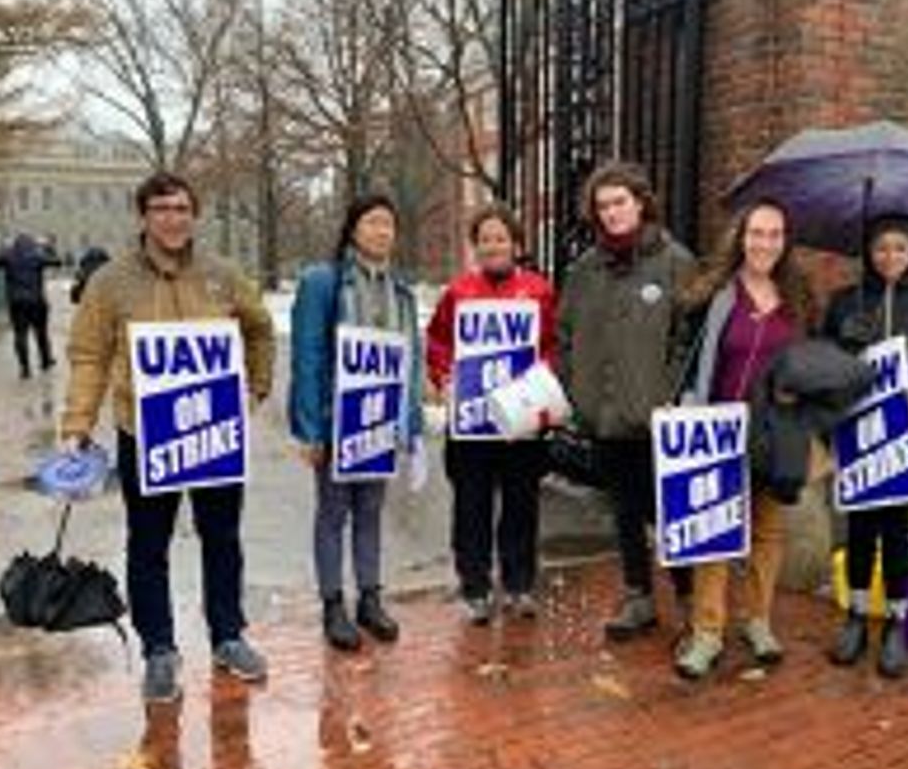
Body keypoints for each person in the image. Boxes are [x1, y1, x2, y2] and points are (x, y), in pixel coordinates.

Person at [59, 171, 277, 702]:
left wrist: (256, 386)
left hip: (214, 431)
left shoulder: (222, 274)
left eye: (181, 208)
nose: (173, 218)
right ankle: (159, 648)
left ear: (193, 213)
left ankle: (228, 635)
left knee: (222, 538)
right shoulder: (110, 282)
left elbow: (259, 327)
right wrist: (76, 424)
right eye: (161, 209)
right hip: (146, 432)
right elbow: (89, 355)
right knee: (147, 544)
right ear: (143, 216)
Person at [671, 199, 816, 678]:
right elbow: (690, 358)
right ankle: (707, 633)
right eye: (757, 233)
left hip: (775, 434)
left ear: (785, 242)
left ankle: (757, 620)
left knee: (767, 532)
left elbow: (812, 362)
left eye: (775, 235)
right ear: (741, 237)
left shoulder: (798, 298)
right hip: (720, 433)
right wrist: (689, 406)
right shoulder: (719, 295)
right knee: (714, 534)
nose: (765, 243)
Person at [556, 160, 698, 641]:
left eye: (620, 202)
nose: (612, 212)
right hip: (605, 417)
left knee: (672, 511)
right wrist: (581, 397)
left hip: (657, 419)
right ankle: (639, 596)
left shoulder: (674, 262)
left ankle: (688, 597)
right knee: (625, 510)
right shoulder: (584, 270)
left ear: (640, 202)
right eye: (603, 206)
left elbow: (688, 338)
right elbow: (567, 335)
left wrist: (667, 394)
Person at [821, 214, 908, 679]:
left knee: (898, 532)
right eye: (881, 248)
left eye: (900, 248)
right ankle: (857, 614)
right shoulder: (845, 302)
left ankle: (897, 622)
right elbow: (821, 364)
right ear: (869, 252)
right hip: (858, 435)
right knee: (859, 529)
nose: (890, 257)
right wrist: (845, 344)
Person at [289, 194, 425, 651]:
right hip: (334, 420)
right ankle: (332, 603)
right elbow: (307, 356)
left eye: (389, 224)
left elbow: (411, 359)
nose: (382, 232)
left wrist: (411, 421)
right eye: (372, 222)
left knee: (370, 511)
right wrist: (309, 428)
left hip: (379, 422)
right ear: (352, 229)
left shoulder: (401, 290)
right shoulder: (323, 283)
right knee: (333, 513)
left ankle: (370, 597)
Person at [425, 203, 558, 625]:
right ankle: (475, 586)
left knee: (521, 503)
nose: (493, 246)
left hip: (521, 418)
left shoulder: (539, 290)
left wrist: (543, 382)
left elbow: (554, 344)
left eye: (501, 238)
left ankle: (519, 583)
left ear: (516, 245)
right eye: (485, 240)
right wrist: (443, 375)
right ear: (476, 248)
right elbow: (438, 342)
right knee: (471, 505)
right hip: (472, 422)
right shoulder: (459, 292)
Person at [0, 232, 61, 378]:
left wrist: (3, 248)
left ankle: (25, 368)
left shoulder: (9, 256)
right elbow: (57, 262)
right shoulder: (37, 256)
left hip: (16, 302)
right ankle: (45, 361)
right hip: (36, 301)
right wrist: (49, 246)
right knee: (41, 332)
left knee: (20, 334)